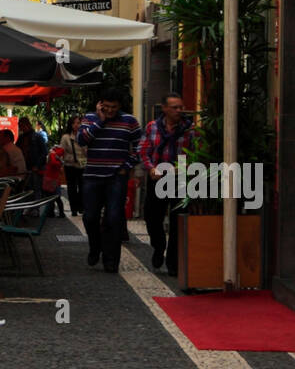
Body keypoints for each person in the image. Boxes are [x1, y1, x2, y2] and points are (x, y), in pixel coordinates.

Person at [76, 86, 143, 272]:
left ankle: (111, 260)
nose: (110, 110)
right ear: (100, 105)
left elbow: (141, 147)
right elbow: (81, 140)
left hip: (116, 177)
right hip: (92, 176)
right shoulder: (90, 118)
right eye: (106, 107)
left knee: (113, 219)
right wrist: (100, 120)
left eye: (114, 107)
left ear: (120, 105)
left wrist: (127, 166)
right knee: (90, 217)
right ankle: (95, 248)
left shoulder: (129, 121)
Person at [139, 92, 196, 275]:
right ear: (164, 108)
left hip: (180, 178)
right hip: (158, 177)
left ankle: (174, 263)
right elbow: (144, 150)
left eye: (181, 107)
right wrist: (150, 168)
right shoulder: (153, 127)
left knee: (177, 220)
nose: (179, 110)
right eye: (175, 107)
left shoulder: (190, 129)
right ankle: (158, 245)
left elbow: (196, 153)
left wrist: (186, 168)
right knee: (152, 218)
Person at [59, 114, 87, 218]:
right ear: (70, 125)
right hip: (70, 165)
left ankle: (81, 207)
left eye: (78, 123)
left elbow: (87, 150)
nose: (76, 125)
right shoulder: (66, 137)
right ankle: (73, 209)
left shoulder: (85, 136)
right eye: (74, 123)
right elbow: (62, 152)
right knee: (71, 188)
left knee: (83, 187)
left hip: (83, 165)